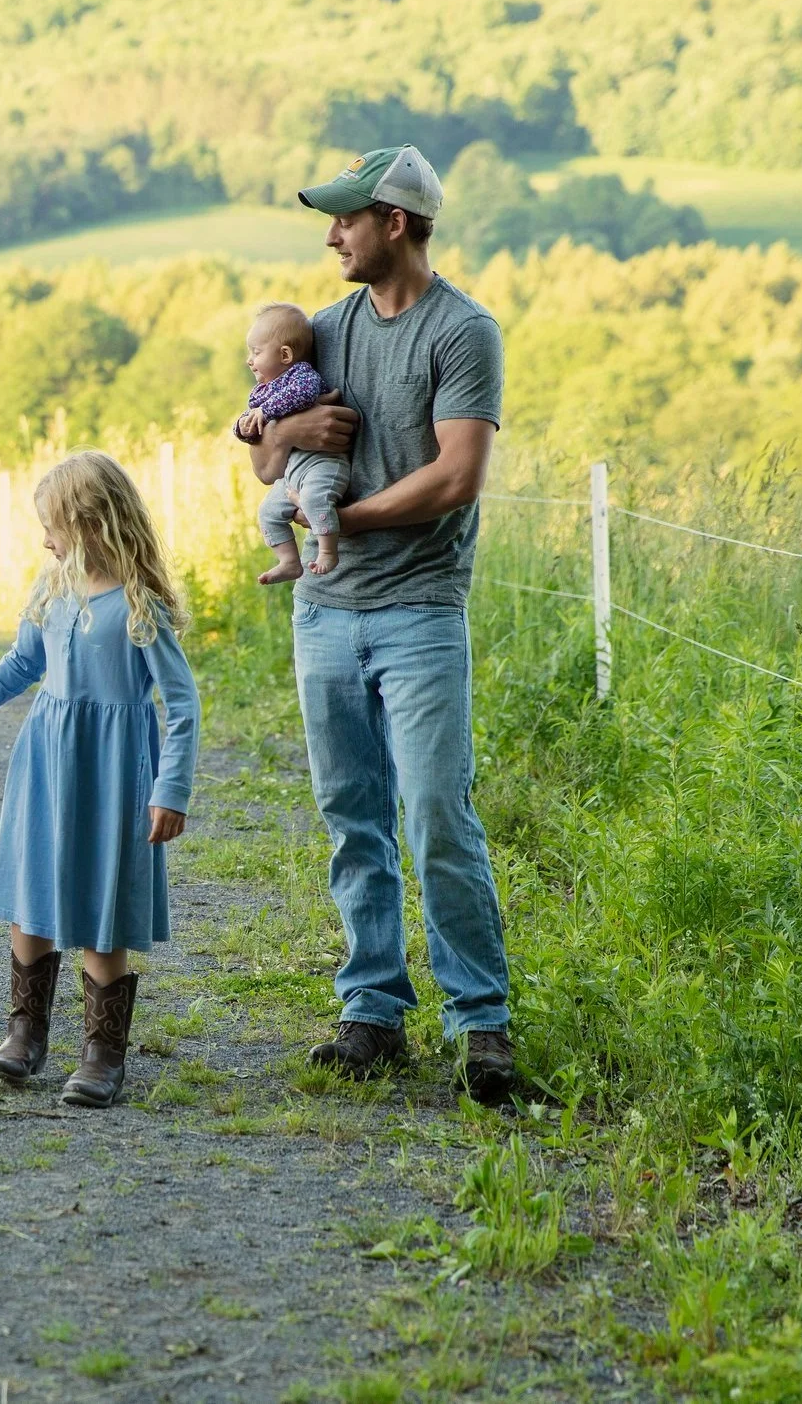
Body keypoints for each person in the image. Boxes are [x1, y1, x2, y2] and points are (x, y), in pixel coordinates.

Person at [250, 144, 516, 1105]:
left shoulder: (464, 331)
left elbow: (456, 478)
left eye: (346, 220)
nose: (331, 235)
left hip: (419, 613)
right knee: (352, 815)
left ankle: (482, 1026)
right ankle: (371, 1011)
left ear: (394, 222)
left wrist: (341, 520)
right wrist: (285, 436)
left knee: (438, 812)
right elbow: (260, 461)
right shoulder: (322, 329)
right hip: (324, 615)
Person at [0, 451, 199, 1110]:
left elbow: (182, 703)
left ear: (90, 522)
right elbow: (21, 663)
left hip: (114, 770)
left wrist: (171, 787)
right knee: (34, 889)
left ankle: (103, 1053)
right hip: (46, 761)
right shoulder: (50, 589)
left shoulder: (139, 604)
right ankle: (25, 1033)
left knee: (103, 900)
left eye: (52, 525)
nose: (43, 538)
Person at [235, 301, 348, 583]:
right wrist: (244, 427)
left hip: (322, 464)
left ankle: (327, 551)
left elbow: (304, 394)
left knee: (314, 499)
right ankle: (289, 561)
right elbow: (256, 427)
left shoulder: (301, 376)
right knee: (269, 512)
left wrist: (267, 414)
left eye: (257, 352)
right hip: (292, 472)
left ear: (285, 354)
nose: (250, 360)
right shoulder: (263, 391)